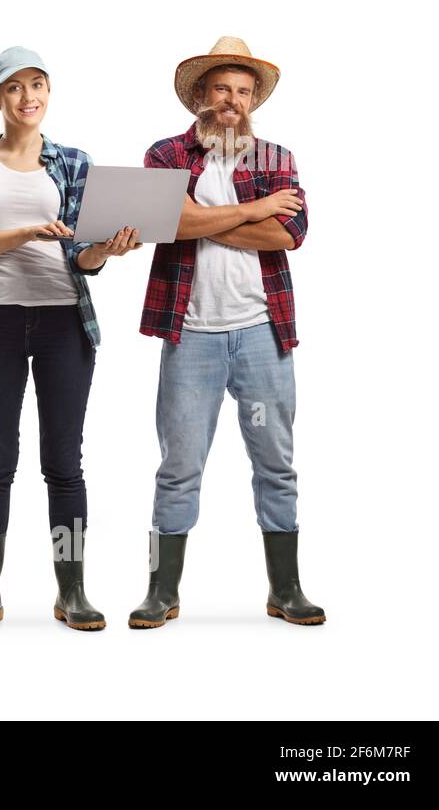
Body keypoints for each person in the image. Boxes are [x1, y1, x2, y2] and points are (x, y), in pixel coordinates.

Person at [0, 46, 142, 632]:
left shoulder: (75, 162)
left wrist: (105, 250)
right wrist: (26, 231)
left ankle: (72, 592)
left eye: (38, 86)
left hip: (63, 323)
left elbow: (81, 252)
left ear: (48, 93)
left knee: (64, 463)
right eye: (14, 88)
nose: (28, 97)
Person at [129, 36, 325, 628]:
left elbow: (289, 237)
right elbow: (169, 222)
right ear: (200, 96)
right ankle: (162, 591)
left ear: (253, 100)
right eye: (221, 89)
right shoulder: (166, 155)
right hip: (191, 334)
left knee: (275, 461)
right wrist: (249, 211)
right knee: (179, 464)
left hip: (263, 331)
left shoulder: (274, 157)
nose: (232, 101)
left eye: (243, 91)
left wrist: (200, 221)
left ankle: (285, 589)